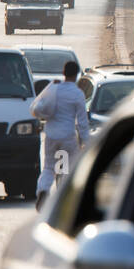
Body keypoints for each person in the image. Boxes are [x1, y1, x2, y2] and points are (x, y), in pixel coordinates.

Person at [30, 60, 90, 211]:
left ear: (63, 73)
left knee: (49, 167)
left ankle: (43, 191)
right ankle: (63, 198)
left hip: (51, 135)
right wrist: (85, 143)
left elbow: (41, 106)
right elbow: (82, 122)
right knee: (68, 168)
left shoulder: (55, 88)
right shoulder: (77, 94)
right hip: (68, 136)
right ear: (76, 75)